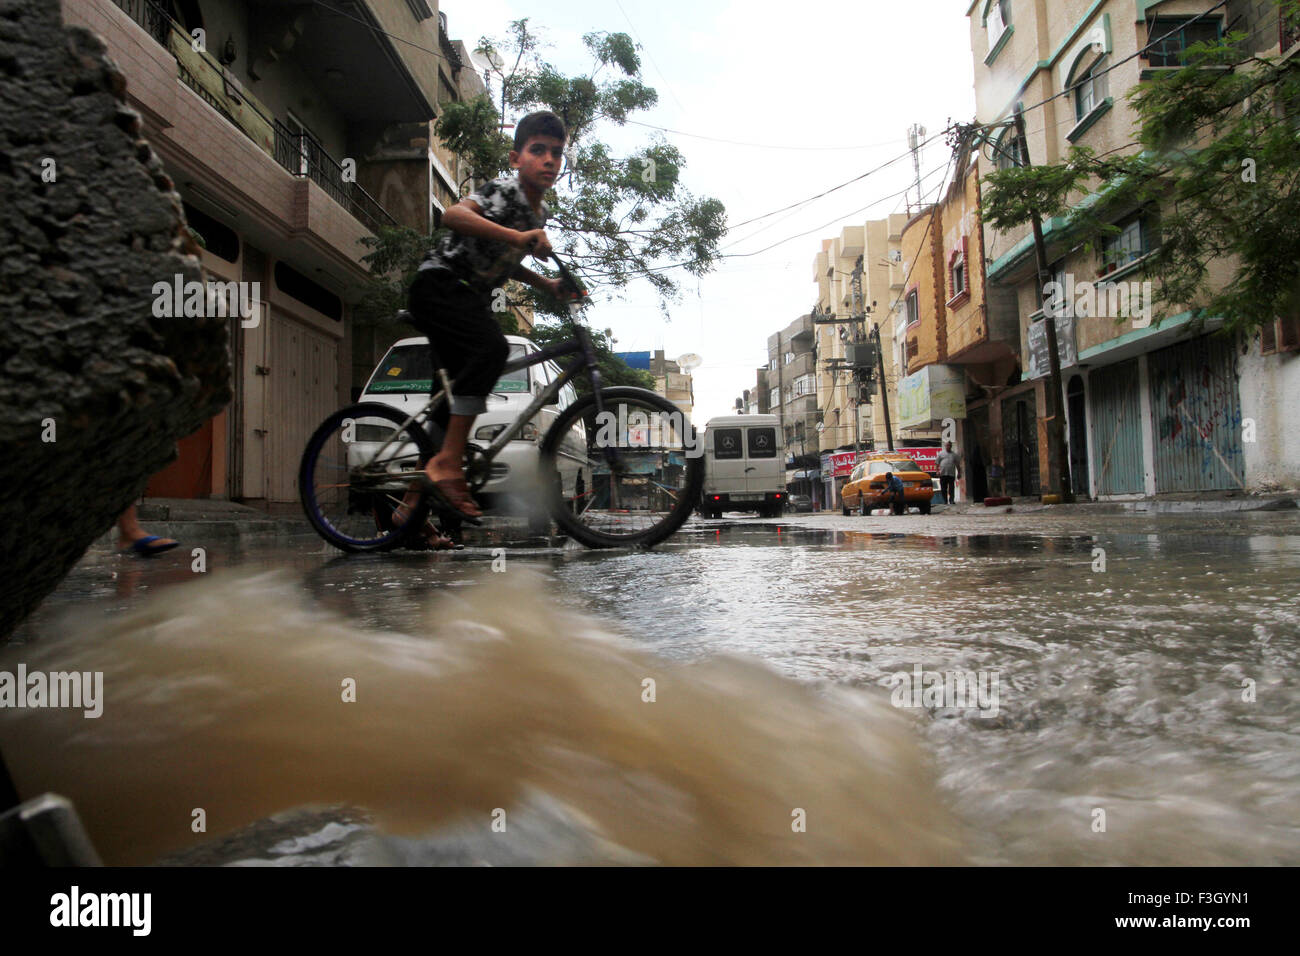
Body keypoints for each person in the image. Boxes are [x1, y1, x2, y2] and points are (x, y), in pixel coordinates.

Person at [402, 110, 575, 524]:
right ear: (516, 158)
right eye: (538, 151)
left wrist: (547, 285)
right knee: (491, 348)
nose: (549, 160)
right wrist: (518, 236)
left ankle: (408, 516)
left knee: (444, 411)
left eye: (556, 153)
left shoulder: (538, 215)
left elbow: (506, 259)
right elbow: (454, 217)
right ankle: (447, 464)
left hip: (463, 299)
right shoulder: (505, 191)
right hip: (439, 286)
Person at [936, 441, 961, 505]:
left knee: (951, 488)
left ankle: (951, 500)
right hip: (943, 474)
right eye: (947, 445)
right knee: (943, 488)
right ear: (945, 446)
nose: (948, 447)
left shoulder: (954, 455)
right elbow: (937, 463)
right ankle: (945, 501)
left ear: (951, 446)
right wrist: (937, 471)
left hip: (951, 474)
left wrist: (959, 473)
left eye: (949, 445)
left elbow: (957, 465)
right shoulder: (941, 454)